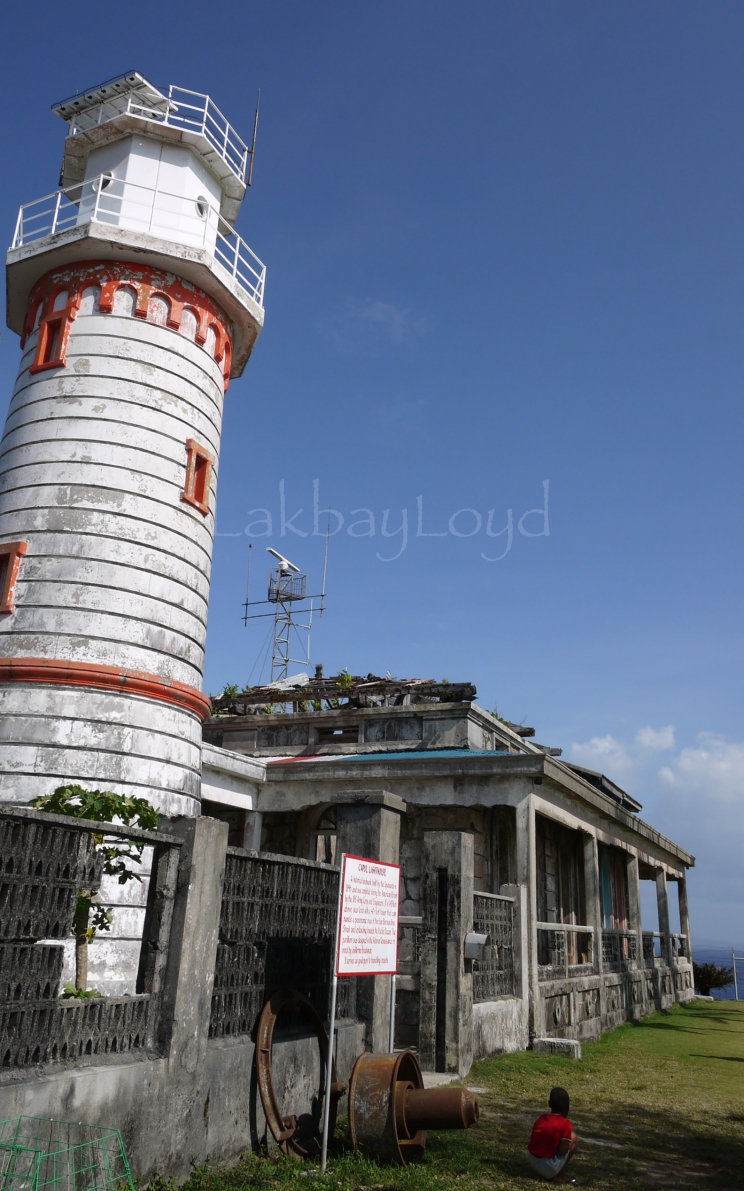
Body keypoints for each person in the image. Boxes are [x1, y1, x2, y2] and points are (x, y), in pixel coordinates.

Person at [526, 1086, 579, 1183]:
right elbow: (563, 1151)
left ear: (549, 1104)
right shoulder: (565, 1123)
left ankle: (545, 1171)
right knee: (573, 1138)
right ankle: (559, 1174)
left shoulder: (541, 1118)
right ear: (567, 1108)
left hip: (531, 1160)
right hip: (548, 1168)